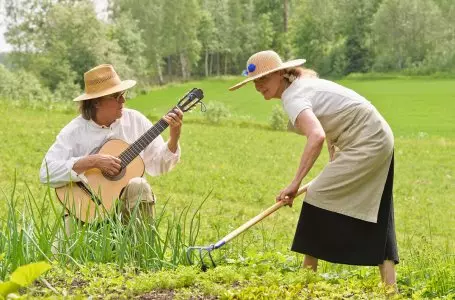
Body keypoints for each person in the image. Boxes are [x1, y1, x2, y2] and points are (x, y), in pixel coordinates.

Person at [229, 50, 399, 288]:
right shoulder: (300, 85)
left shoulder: (293, 97)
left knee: (317, 194)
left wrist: (294, 183)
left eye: (263, 79)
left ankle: (307, 281)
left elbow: (316, 135)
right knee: (378, 208)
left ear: (280, 74)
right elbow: (335, 115)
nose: (258, 86)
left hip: (367, 140)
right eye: (255, 81)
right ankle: (391, 288)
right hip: (376, 136)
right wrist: (334, 154)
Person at [39, 64, 183, 228]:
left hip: (129, 209)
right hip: (84, 211)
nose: (123, 100)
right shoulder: (74, 131)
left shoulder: (136, 120)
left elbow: (158, 165)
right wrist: (92, 161)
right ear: (96, 102)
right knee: (58, 253)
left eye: (123, 94)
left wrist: (174, 137)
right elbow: (46, 173)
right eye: (116, 96)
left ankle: (140, 251)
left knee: (139, 184)